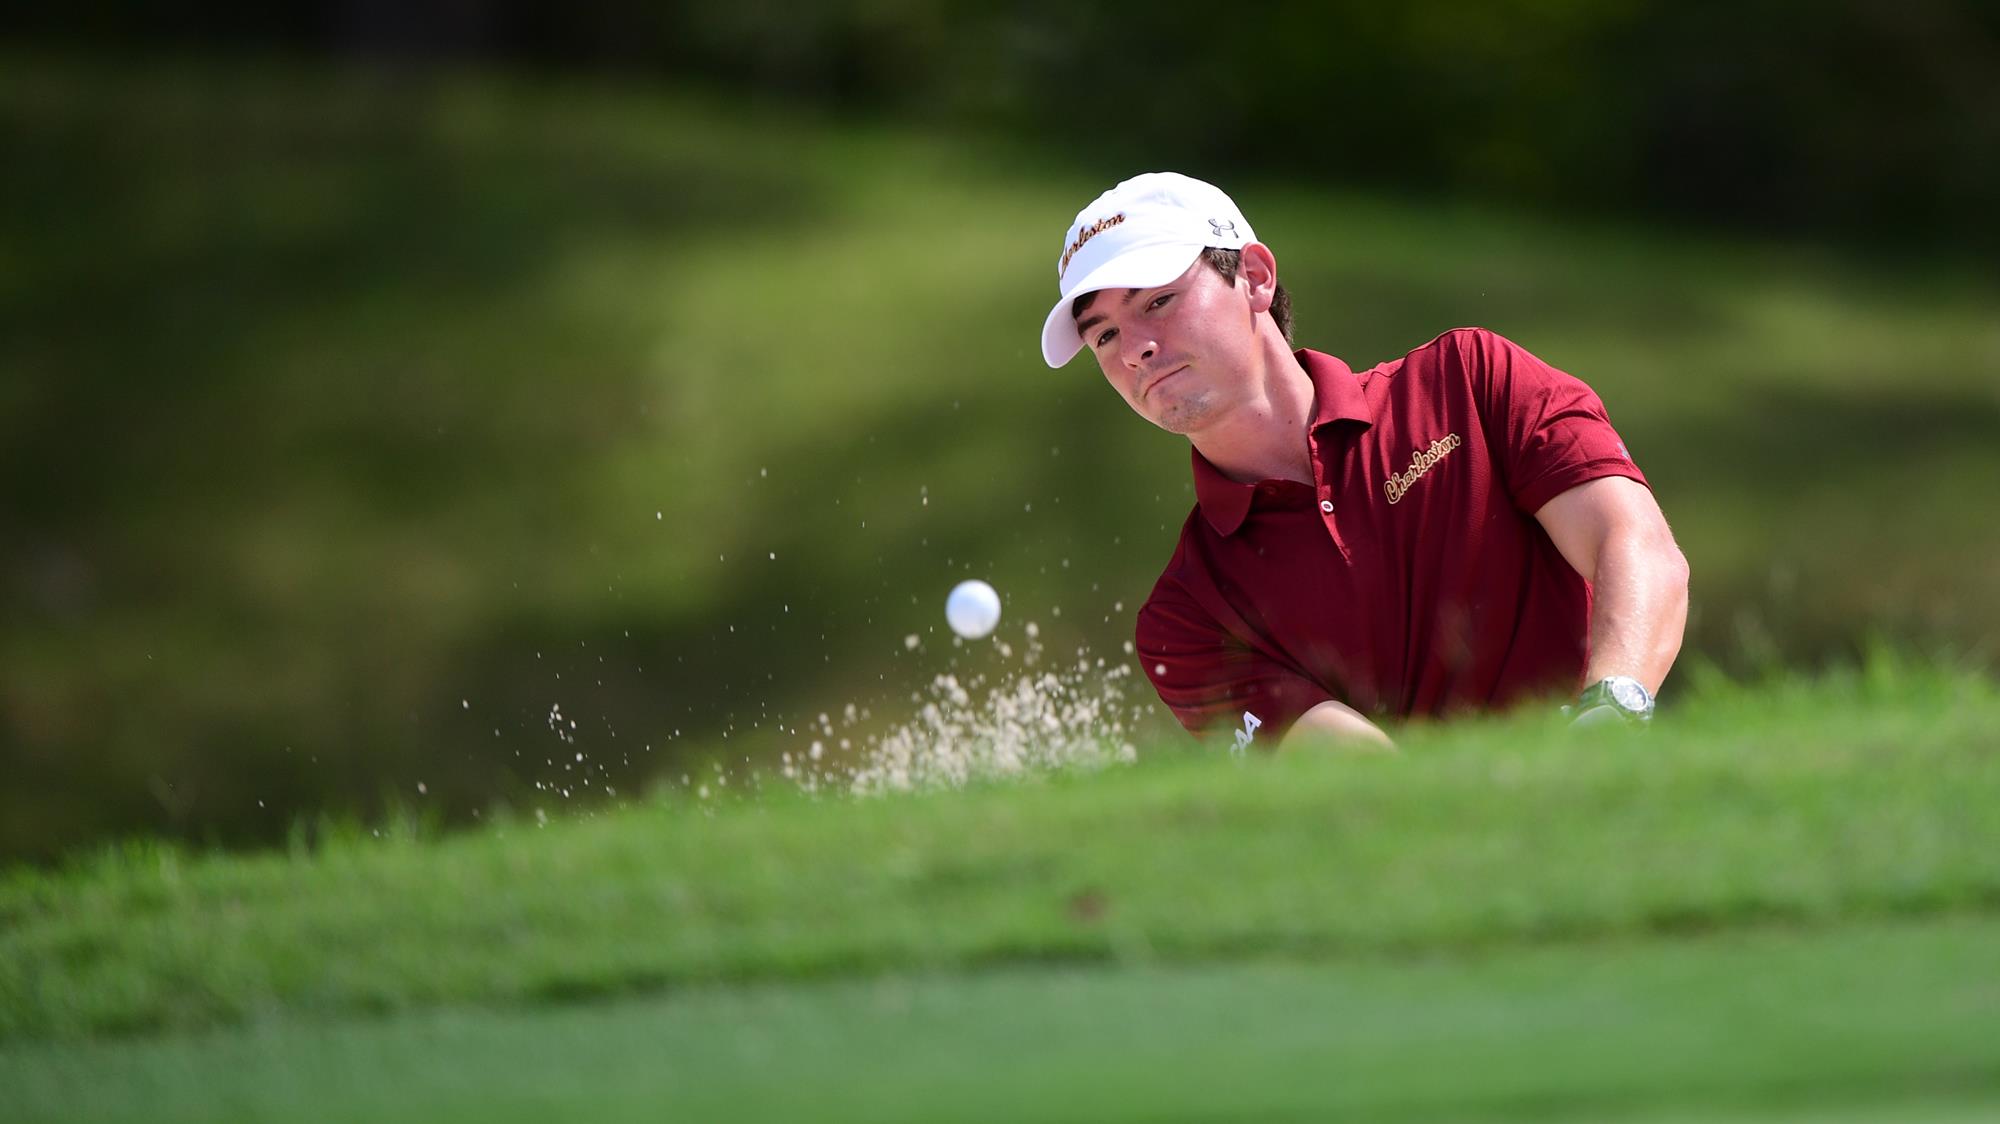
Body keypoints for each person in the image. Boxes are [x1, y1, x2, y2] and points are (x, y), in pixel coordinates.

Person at [1038, 172, 1689, 752]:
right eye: (1104, 334)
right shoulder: (1186, 618)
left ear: (1255, 279)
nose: (1135, 350)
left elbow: (1635, 548)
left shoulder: (1469, 380)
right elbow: (1371, 781)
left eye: (1158, 302)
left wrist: (1606, 724)